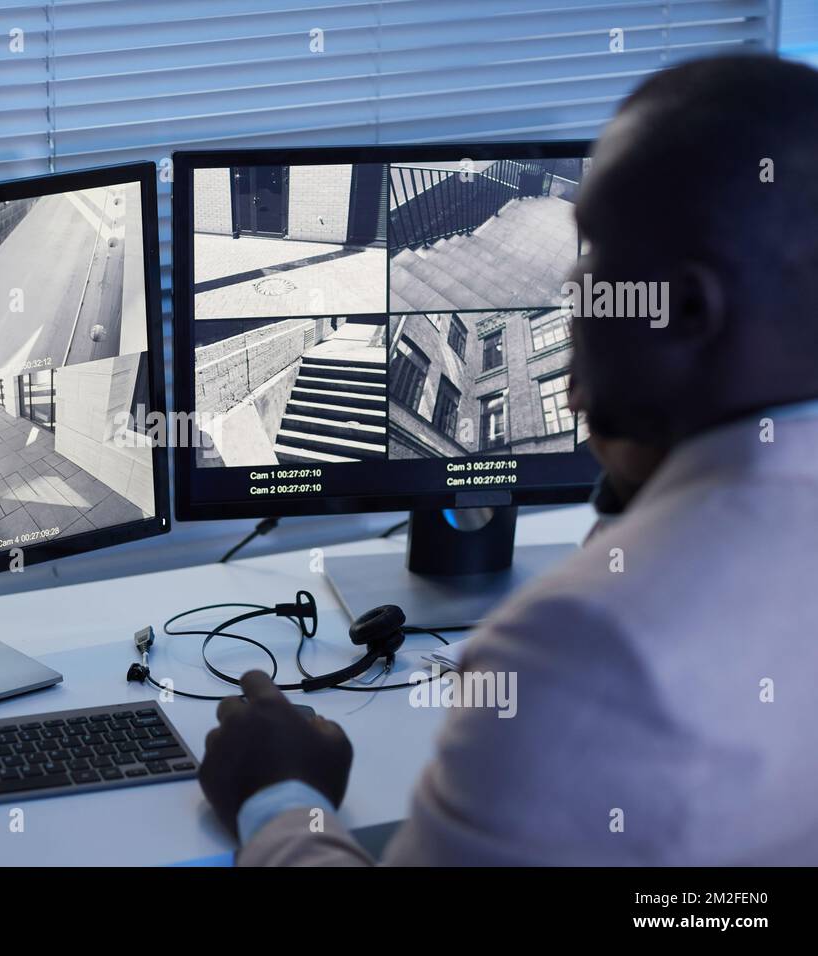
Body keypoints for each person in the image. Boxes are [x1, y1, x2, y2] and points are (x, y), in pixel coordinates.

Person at [198, 53, 818, 865]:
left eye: (591, 252)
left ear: (689, 309)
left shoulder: (581, 648)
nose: (570, 284)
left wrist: (279, 793)